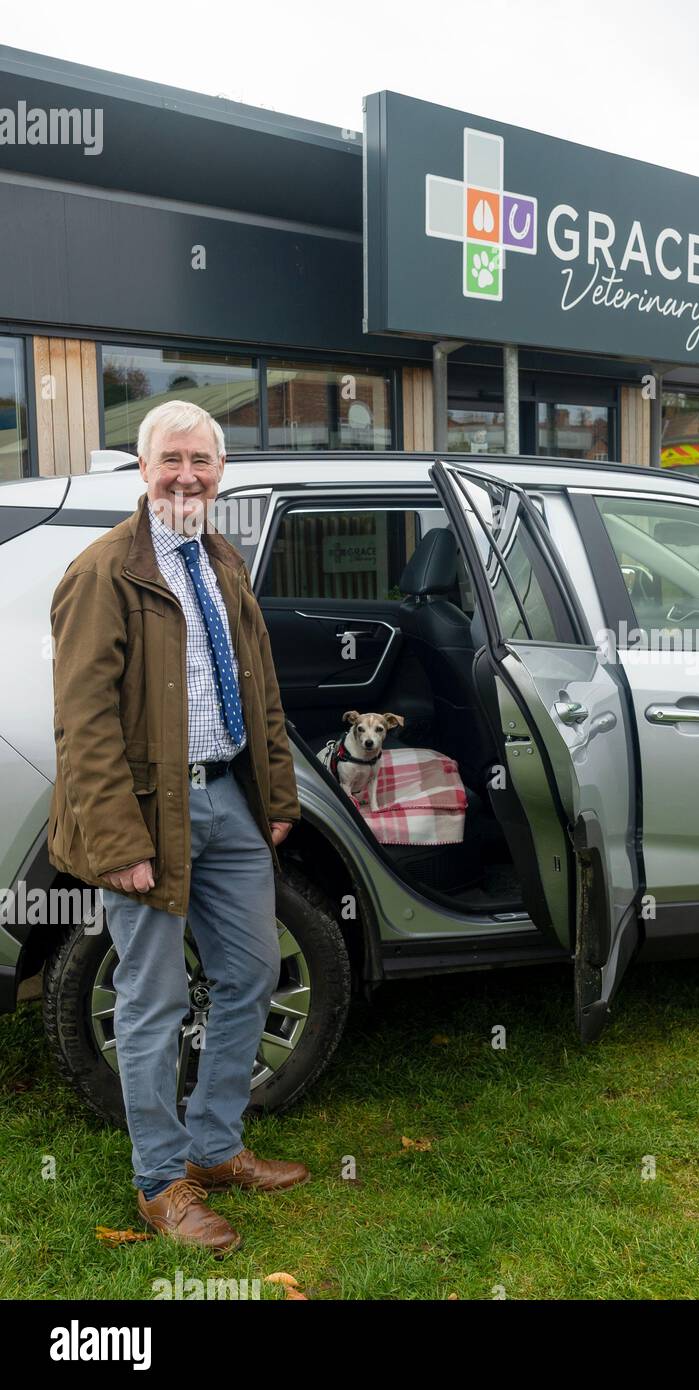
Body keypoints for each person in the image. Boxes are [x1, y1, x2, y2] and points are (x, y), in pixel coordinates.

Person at [48, 399, 306, 1257]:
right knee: (152, 998)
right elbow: (81, 725)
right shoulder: (103, 572)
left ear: (219, 471)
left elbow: (259, 691)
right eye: (172, 460)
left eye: (202, 460)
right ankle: (163, 1181)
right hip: (144, 812)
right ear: (143, 468)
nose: (187, 475)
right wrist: (119, 842)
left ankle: (216, 1143)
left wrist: (274, 798)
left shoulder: (219, 559)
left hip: (227, 798)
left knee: (252, 969)